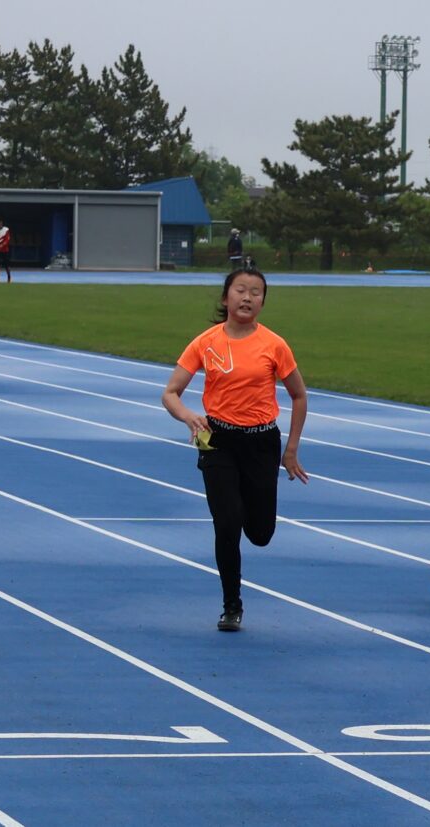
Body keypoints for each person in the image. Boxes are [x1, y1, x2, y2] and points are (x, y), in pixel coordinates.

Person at [161, 267, 309, 632]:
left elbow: (299, 395)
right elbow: (170, 393)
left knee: (259, 533)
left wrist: (290, 450)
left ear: (262, 301)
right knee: (227, 524)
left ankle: (243, 504)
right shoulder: (206, 342)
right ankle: (231, 605)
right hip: (218, 441)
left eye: (256, 292)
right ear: (226, 297)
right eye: (240, 290)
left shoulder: (274, 345)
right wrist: (189, 417)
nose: (247, 297)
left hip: (262, 443)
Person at [0, 217, 12, 283]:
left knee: (7, 265)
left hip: (5, 251)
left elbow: (7, 240)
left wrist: (2, 245)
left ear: (1, 223)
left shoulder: (6, 230)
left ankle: (9, 278)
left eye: (0, 223)